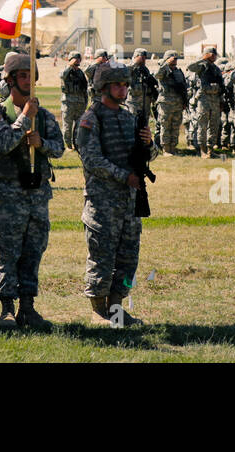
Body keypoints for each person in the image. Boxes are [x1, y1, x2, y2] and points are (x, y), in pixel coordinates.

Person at [0, 51, 63, 329]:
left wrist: (41, 144)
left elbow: (60, 149)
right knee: (8, 252)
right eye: (23, 76)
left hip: (37, 196)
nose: (29, 81)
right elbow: (2, 143)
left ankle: (27, 307)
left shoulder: (46, 116)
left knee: (33, 252)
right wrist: (23, 120)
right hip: (8, 196)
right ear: (11, 80)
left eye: (32, 75)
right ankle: (6, 307)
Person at [78, 63, 157, 326]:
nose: (122, 89)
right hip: (103, 202)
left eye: (125, 85)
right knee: (102, 257)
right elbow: (92, 159)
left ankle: (116, 308)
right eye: (117, 85)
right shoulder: (92, 118)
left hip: (130, 203)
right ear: (103, 88)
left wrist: (149, 144)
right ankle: (98, 310)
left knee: (128, 259)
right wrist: (125, 176)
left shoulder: (130, 117)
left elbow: (148, 157)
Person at [187, 46, 224, 157]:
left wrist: (221, 101)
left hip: (215, 100)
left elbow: (222, 86)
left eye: (214, 54)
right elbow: (190, 67)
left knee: (214, 126)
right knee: (202, 126)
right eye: (211, 54)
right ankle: (202, 150)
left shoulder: (216, 69)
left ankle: (210, 149)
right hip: (204, 100)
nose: (213, 56)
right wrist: (203, 58)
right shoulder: (201, 67)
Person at [154, 50, 187, 154]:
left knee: (175, 126)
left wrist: (184, 101)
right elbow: (157, 75)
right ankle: (166, 149)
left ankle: (173, 147)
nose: (174, 61)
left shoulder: (178, 72)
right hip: (166, 103)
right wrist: (166, 64)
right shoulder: (163, 70)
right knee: (165, 126)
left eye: (176, 59)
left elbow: (183, 87)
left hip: (178, 103)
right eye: (172, 59)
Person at [58, 52, 88, 150]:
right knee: (67, 126)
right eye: (75, 61)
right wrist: (70, 66)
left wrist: (85, 102)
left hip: (80, 103)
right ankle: (68, 145)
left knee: (79, 126)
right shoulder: (65, 71)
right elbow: (62, 75)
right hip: (68, 102)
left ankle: (77, 144)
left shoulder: (80, 73)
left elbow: (84, 88)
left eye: (78, 61)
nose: (77, 64)